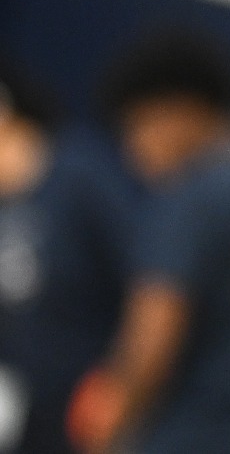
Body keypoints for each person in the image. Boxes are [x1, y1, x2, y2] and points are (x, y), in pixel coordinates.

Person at [73, 32, 230, 454]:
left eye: (137, 127)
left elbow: (155, 333)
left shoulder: (191, 199)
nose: (134, 152)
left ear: (183, 110)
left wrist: (112, 429)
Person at [0, 58, 133, 454]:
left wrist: (118, 385)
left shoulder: (82, 179)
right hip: (18, 406)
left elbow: (146, 286)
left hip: (78, 410)